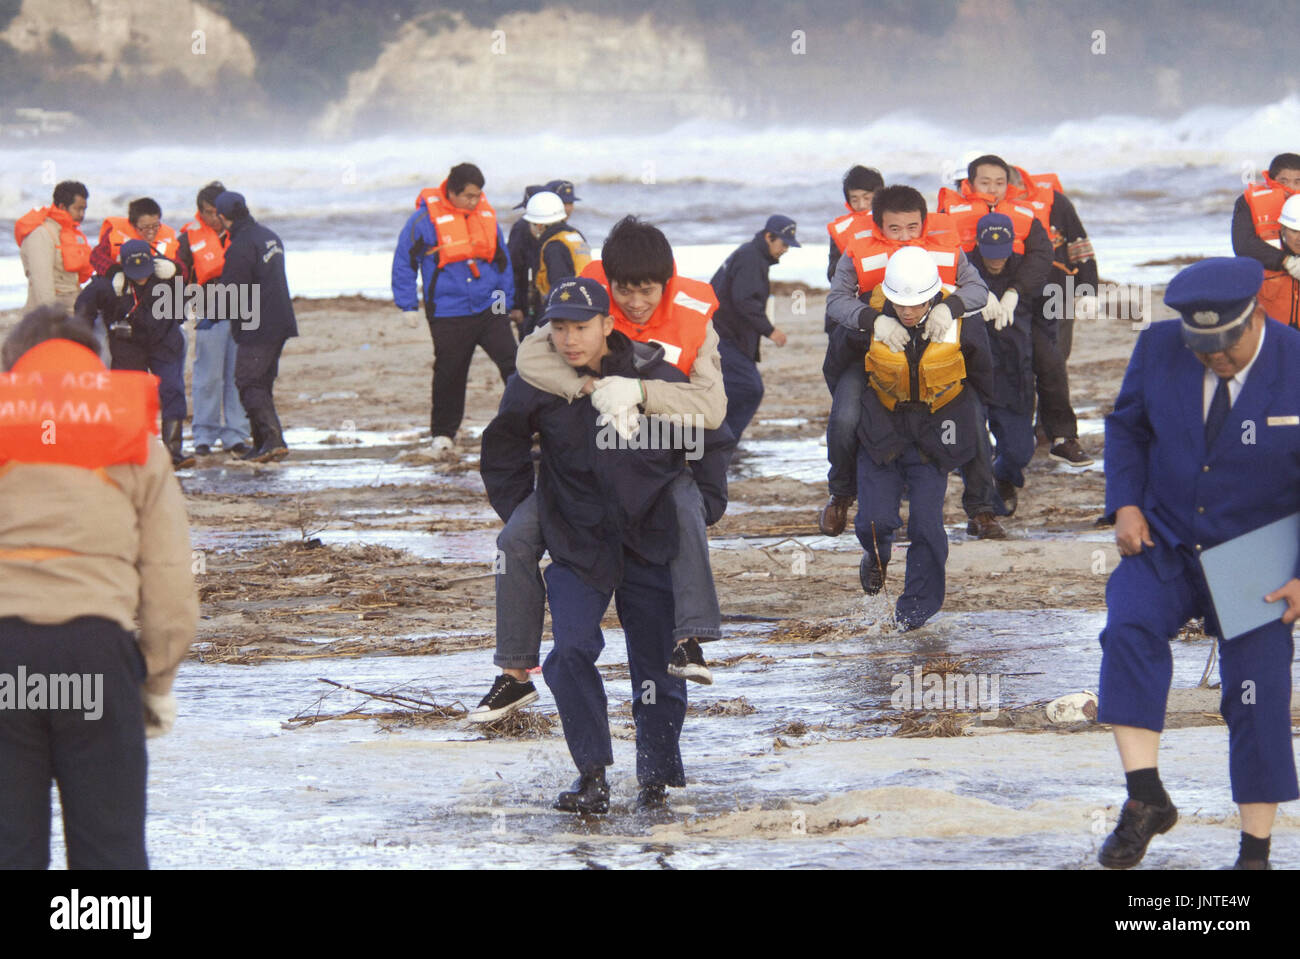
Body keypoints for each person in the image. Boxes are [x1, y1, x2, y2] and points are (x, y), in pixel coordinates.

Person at [480, 277, 731, 813]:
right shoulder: (538, 383)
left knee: (657, 667)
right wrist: (528, 509)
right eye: (560, 328)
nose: (570, 339)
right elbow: (503, 442)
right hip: (578, 541)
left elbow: (709, 438)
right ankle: (591, 775)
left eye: (582, 327)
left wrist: (703, 503)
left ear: (608, 325)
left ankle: (656, 781)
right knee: (568, 654)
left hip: (650, 539)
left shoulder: (654, 376)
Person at [1097, 256, 1300, 870]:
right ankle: (1145, 798)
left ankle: (1255, 853)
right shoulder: (1159, 346)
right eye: (1201, 345)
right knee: (1127, 625)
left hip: (1258, 553)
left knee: (1257, 691)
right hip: (1168, 537)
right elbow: (1126, 427)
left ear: (1256, 313)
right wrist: (1126, 503)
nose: (1215, 357)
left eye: (1226, 345)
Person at [0, 307, 197, 868]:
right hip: (94, 657)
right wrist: (156, 683)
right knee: (110, 858)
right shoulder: (135, 441)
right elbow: (168, 578)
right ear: (95, 369)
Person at [822, 184, 990, 537]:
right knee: (845, 415)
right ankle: (841, 493)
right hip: (872, 347)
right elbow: (836, 301)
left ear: (924, 222)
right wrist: (873, 321)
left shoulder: (947, 247)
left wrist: (950, 306)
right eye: (894, 229)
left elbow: (978, 290)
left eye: (912, 228)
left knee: (974, 416)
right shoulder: (856, 250)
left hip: (936, 345)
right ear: (877, 224)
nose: (903, 236)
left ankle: (982, 510)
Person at [853, 247, 994, 630]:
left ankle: (914, 613)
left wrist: (974, 424)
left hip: (934, 431)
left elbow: (983, 375)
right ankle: (876, 555)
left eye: (917, 304)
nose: (909, 311)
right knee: (875, 521)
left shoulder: (961, 321)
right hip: (882, 426)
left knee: (926, 526)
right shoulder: (868, 317)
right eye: (900, 304)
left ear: (934, 295)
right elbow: (839, 369)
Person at [938, 155, 1094, 468]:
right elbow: (942, 256)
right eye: (985, 182)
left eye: (999, 182)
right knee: (969, 370)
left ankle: (1061, 437)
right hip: (971, 305)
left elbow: (1041, 256)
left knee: (1048, 361)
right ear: (969, 183)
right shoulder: (949, 213)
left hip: (1026, 302)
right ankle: (964, 444)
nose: (993, 189)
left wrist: (1015, 292)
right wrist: (975, 294)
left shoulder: (1026, 212)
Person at [391, 162, 516, 457]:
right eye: (469, 196)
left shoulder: (485, 216)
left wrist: (504, 303)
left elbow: (502, 262)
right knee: (450, 373)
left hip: (489, 307)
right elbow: (404, 262)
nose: (475, 202)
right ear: (452, 191)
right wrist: (407, 304)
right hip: (449, 311)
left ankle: (529, 423)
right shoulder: (423, 220)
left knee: (514, 364)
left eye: (478, 196)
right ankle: (444, 434)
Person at [74, 240, 194, 469]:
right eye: (135, 273)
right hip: (127, 345)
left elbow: (183, 302)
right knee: (129, 395)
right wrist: (85, 335)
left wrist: (176, 272)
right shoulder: (107, 284)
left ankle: (173, 451)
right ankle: (131, 449)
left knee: (173, 389)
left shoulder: (167, 276)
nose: (141, 277)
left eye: (145, 272)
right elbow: (83, 307)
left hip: (163, 341)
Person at [967, 213, 1049, 517]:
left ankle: (1004, 477)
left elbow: (1047, 326)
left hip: (1015, 373)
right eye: (990, 253)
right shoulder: (963, 269)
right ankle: (983, 510)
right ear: (978, 243)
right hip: (973, 375)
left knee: (1019, 450)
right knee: (975, 448)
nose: (996, 261)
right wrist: (973, 292)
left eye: (1002, 254)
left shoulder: (1025, 274)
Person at [214, 190, 298, 463]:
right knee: (261, 382)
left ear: (222, 217)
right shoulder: (269, 236)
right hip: (280, 318)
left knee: (248, 382)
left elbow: (231, 291)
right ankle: (262, 444)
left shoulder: (241, 246)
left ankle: (273, 440)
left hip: (258, 324)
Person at [177, 180, 251, 457]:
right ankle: (204, 434)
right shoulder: (187, 239)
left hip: (245, 306)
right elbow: (179, 276)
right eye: (208, 212)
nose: (214, 218)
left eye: (218, 212)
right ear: (200, 212)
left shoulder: (244, 233)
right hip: (208, 308)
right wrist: (176, 314)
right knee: (207, 375)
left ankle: (236, 434)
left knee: (239, 374)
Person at [708, 214, 795, 443]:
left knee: (731, 389)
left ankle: (720, 438)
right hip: (722, 336)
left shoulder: (751, 254)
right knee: (750, 388)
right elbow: (744, 300)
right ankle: (724, 440)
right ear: (769, 237)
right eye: (784, 243)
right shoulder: (751, 258)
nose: (786, 249)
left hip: (723, 333)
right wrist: (770, 330)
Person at [1233, 153, 1300, 328]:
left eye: (1298, 182)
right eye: (1283, 181)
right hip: (1268, 306)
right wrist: (1286, 261)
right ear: (1270, 180)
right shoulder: (1248, 202)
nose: (1291, 188)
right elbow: (1243, 245)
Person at [521, 190, 590, 337]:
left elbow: (560, 285)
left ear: (539, 225)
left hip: (567, 308)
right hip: (584, 302)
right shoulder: (574, 235)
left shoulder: (554, 246)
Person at [16, 180, 92, 313]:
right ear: (62, 207)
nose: (82, 215)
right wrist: (53, 319)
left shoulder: (70, 233)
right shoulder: (42, 234)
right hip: (46, 313)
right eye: (78, 209)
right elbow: (42, 283)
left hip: (72, 307)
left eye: (84, 209)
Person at [89, 197, 180, 276]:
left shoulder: (168, 235)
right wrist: (114, 272)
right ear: (133, 224)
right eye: (145, 227)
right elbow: (96, 256)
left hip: (155, 287)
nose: (151, 231)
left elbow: (183, 268)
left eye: (155, 226)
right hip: (122, 283)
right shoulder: (116, 233)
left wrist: (174, 268)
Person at [826, 165, 883, 282]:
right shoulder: (841, 230)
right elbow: (832, 274)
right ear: (848, 201)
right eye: (855, 200)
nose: (861, 205)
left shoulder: (893, 221)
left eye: (867, 198)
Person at [507, 184, 544, 335]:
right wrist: (513, 307)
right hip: (525, 301)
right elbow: (511, 268)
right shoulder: (521, 227)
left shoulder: (550, 227)